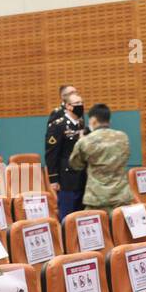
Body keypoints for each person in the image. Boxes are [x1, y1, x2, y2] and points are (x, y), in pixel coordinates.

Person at [66, 103, 132, 215]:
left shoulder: (86, 141)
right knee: (120, 231)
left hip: (97, 199)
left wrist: (80, 141)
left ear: (93, 120)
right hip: (121, 198)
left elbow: (75, 165)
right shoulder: (123, 137)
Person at [45, 87, 87, 220]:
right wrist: (53, 179)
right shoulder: (58, 125)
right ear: (68, 106)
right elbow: (51, 153)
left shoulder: (80, 124)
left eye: (81, 103)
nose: (80, 106)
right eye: (77, 104)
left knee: (81, 215)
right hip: (67, 177)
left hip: (82, 176)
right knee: (67, 216)